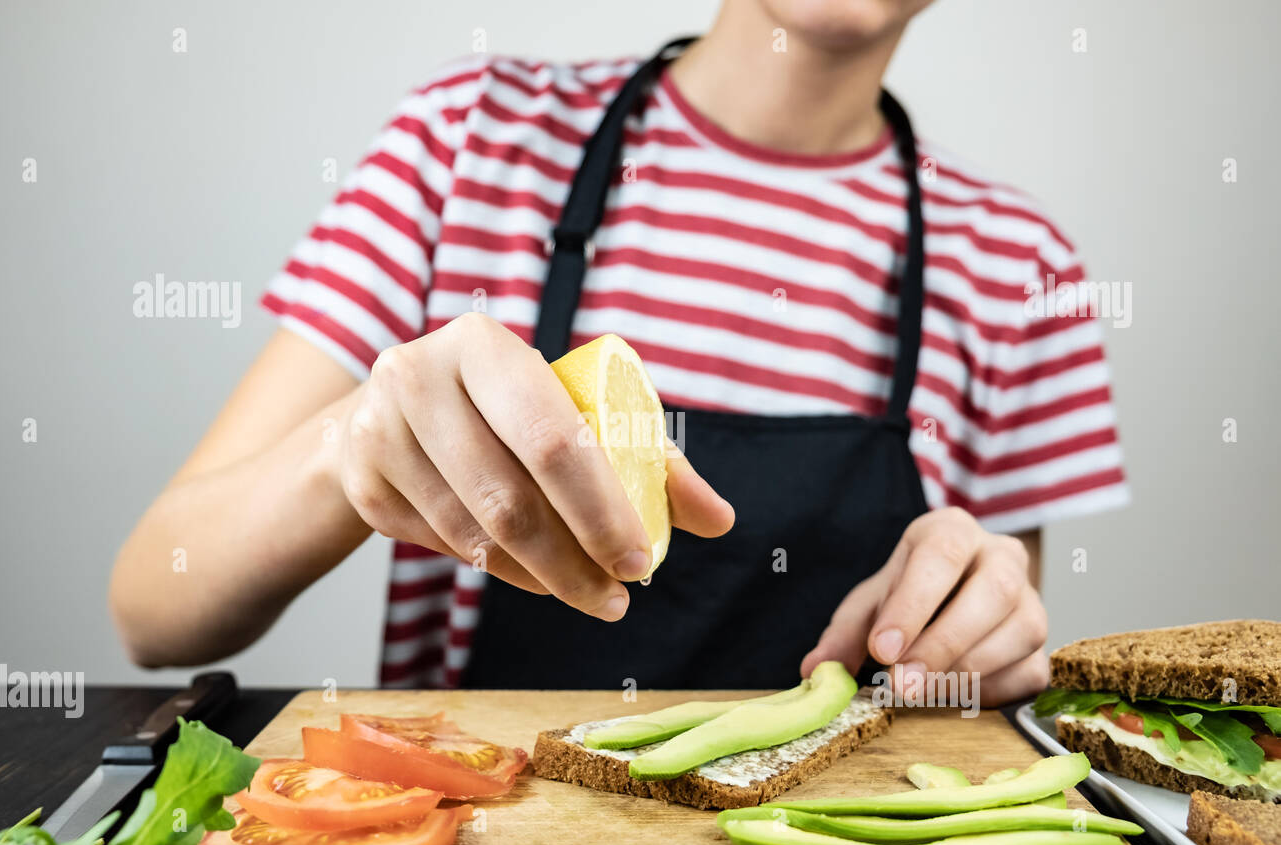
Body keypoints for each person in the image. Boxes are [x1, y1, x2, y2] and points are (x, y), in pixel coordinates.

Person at [109, 0, 1127, 704]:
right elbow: (155, 608)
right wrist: (343, 453)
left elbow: (973, 669)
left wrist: (970, 647)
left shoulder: (1017, 264)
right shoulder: (471, 141)